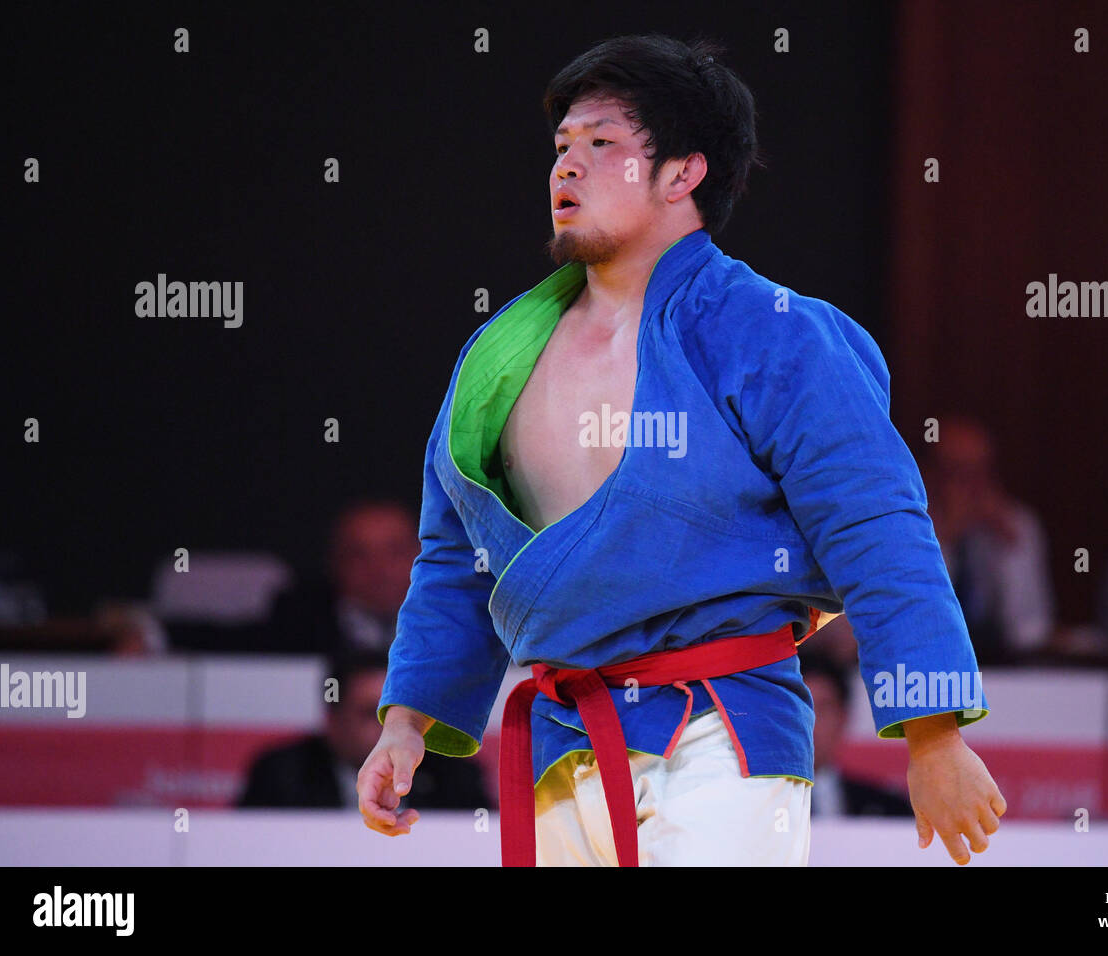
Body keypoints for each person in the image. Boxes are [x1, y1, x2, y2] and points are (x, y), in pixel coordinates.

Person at [359, 34, 1004, 867]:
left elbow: (875, 523)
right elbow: (459, 556)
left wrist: (934, 732)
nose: (566, 167)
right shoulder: (500, 356)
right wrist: (407, 722)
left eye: (601, 146)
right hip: (561, 737)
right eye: (561, 148)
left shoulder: (772, 333)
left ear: (681, 173)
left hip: (721, 728)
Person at [239, 651, 488, 810]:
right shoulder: (282, 775)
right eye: (372, 713)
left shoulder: (456, 777)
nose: (389, 729)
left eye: (397, 714)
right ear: (333, 721)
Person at [920, 415, 1056, 664]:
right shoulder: (910, 529)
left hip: (1010, 678)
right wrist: (947, 538)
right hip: (929, 673)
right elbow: (921, 624)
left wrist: (1010, 547)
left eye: (979, 472)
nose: (971, 487)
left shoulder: (1018, 525)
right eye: (958, 473)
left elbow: (1031, 632)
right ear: (931, 475)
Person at [264, 500, 421, 657]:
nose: (380, 569)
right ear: (334, 561)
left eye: (396, 552)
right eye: (359, 555)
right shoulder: (289, 632)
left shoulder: (444, 624)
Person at [802, 651, 913, 817]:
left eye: (823, 708)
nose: (811, 723)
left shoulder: (890, 810)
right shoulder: (751, 806)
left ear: (843, 718)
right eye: (799, 708)